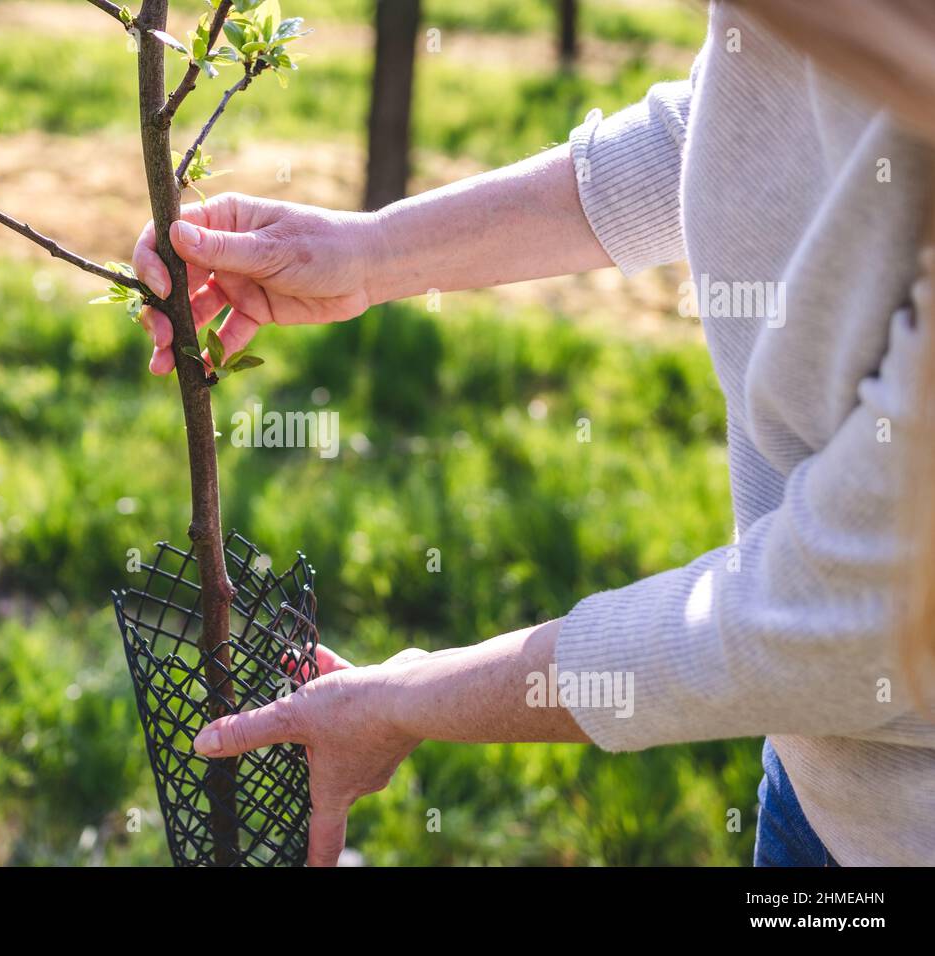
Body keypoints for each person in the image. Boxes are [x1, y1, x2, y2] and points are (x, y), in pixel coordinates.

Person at [130, 0, 935, 867]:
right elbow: (749, 120)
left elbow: (837, 616)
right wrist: (371, 253)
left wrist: (407, 698)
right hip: (816, 792)